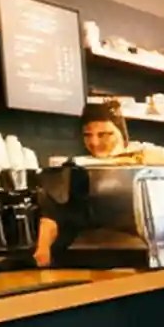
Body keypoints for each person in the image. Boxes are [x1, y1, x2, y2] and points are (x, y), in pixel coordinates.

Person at [33, 102, 133, 267]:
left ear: (120, 133)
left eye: (103, 135)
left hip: (133, 256)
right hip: (83, 260)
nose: (94, 142)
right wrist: (43, 249)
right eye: (87, 135)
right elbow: (52, 215)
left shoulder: (142, 159)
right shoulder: (75, 170)